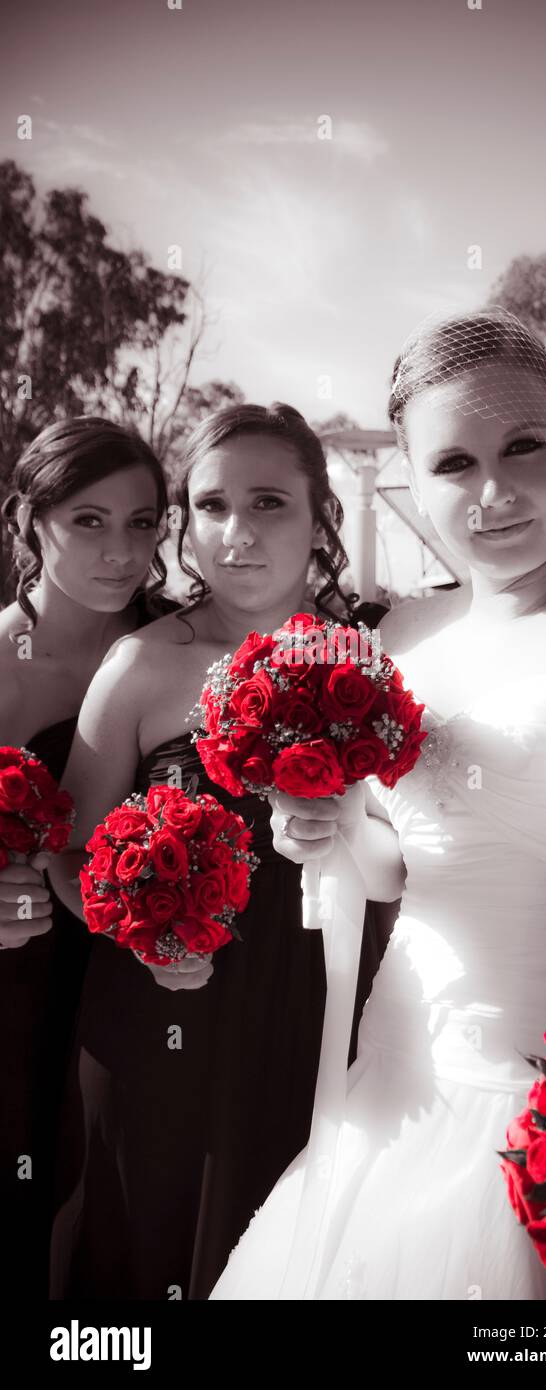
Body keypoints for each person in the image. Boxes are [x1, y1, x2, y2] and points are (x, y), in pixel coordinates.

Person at [210, 311, 546, 1301]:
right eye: (453, 462)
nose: (491, 494)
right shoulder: (400, 631)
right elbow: (396, 865)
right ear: (411, 475)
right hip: (399, 1081)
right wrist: (325, 831)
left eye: (523, 447)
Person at [48, 402, 396, 1300]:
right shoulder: (142, 665)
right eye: (211, 506)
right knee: (147, 1257)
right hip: (161, 1022)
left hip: (323, 1017)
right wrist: (147, 942)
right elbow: (69, 854)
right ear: (186, 526)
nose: (237, 533)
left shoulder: (375, 656)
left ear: (321, 515)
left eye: (269, 502)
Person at [0, 416, 169, 1298]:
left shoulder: (180, 650)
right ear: (30, 523)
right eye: (88, 522)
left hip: (150, 984)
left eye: (142, 523)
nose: (120, 552)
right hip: (17, 990)